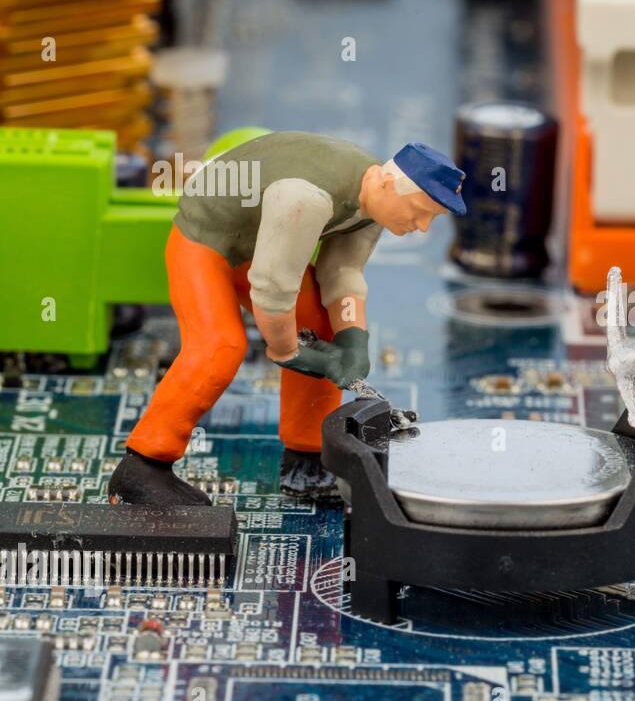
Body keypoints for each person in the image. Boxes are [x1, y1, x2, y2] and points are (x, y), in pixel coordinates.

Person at [108, 132, 466, 505]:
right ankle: (142, 468)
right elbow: (272, 287)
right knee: (219, 346)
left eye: (431, 218)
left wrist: (352, 336)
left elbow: (341, 271)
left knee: (321, 325)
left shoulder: (375, 202)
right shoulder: (306, 198)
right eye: (421, 211)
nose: (422, 227)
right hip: (206, 241)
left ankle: (307, 464)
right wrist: (288, 349)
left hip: (255, 243)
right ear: (389, 184)